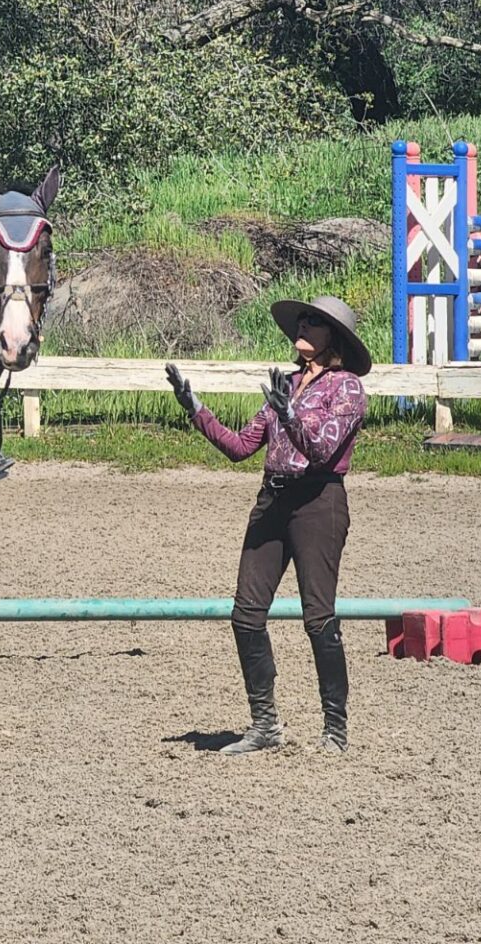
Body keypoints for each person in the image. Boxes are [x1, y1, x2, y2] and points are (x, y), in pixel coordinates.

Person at [164, 295, 370, 753]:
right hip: (272, 499)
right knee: (246, 614)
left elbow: (321, 448)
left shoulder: (347, 389)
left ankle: (334, 728)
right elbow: (239, 447)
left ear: (332, 337)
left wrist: (288, 414)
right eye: (302, 319)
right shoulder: (289, 384)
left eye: (313, 321)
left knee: (318, 617)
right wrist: (195, 407)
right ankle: (265, 725)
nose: (303, 325)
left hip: (318, 502)